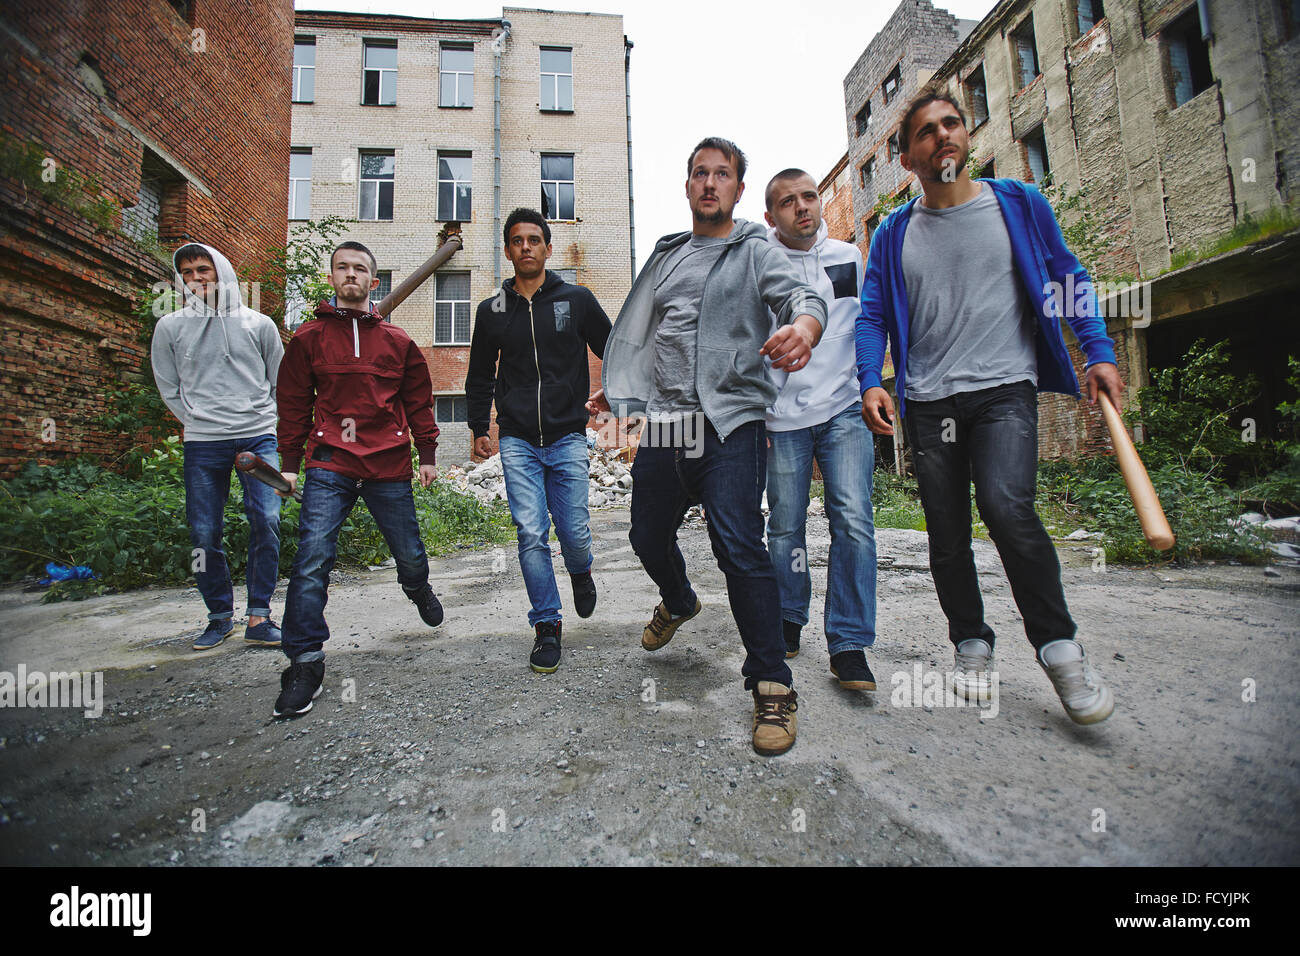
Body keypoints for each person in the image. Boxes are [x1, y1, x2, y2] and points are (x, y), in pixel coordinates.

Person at [857, 92, 1123, 724]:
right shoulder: (895, 232)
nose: (943, 136)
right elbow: (872, 315)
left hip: (1006, 388)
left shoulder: (1018, 205)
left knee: (1007, 506)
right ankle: (971, 643)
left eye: (952, 123)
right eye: (926, 131)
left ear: (967, 135)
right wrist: (873, 379)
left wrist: (1098, 349)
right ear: (906, 157)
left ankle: (1060, 649)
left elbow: (1067, 274)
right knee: (947, 534)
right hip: (928, 401)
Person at [591, 136, 827, 756]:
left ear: (738, 189)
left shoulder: (755, 250)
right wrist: (620, 398)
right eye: (701, 172)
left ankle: (772, 682)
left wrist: (803, 326)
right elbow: (643, 335)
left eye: (723, 174)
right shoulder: (667, 256)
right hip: (668, 425)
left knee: (739, 544)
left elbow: (800, 295)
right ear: (688, 183)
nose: (710, 183)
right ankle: (678, 600)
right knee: (645, 535)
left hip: (730, 421)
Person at [272, 240, 444, 718]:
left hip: (388, 463)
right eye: (342, 267)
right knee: (311, 560)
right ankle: (304, 664)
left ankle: (417, 588)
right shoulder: (308, 339)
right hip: (331, 463)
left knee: (409, 555)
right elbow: (292, 404)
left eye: (360, 269)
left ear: (374, 281)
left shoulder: (398, 343)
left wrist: (426, 452)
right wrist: (289, 463)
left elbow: (418, 401)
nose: (351, 275)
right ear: (332, 278)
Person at [465, 207, 612, 673]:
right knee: (530, 532)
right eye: (516, 240)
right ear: (507, 250)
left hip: (569, 433)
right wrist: (477, 428)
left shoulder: (578, 300)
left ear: (548, 248)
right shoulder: (492, 312)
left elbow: (615, 349)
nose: (526, 246)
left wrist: (618, 394)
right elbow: (478, 375)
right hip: (518, 439)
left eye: (534, 239)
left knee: (573, 530)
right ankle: (547, 625)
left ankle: (581, 570)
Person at [762, 168, 878, 691]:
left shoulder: (848, 257)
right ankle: (788, 614)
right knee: (786, 525)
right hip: (782, 418)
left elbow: (864, 324)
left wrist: (872, 381)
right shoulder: (758, 264)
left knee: (852, 519)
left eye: (809, 196)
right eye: (788, 202)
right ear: (771, 217)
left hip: (843, 408)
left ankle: (850, 644)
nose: (803, 207)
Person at [151, 242, 284, 651]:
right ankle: (218, 616)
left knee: (266, 519)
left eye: (203, 269)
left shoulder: (258, 324)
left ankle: (259, 616)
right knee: (204, 530)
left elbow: (280, 381)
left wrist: (267, 420)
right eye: (187, 273)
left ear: (221, 270)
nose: (195, 279)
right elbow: (168, 385)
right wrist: (194, 420)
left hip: (257, 435)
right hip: (204, 441)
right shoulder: (170, 327)